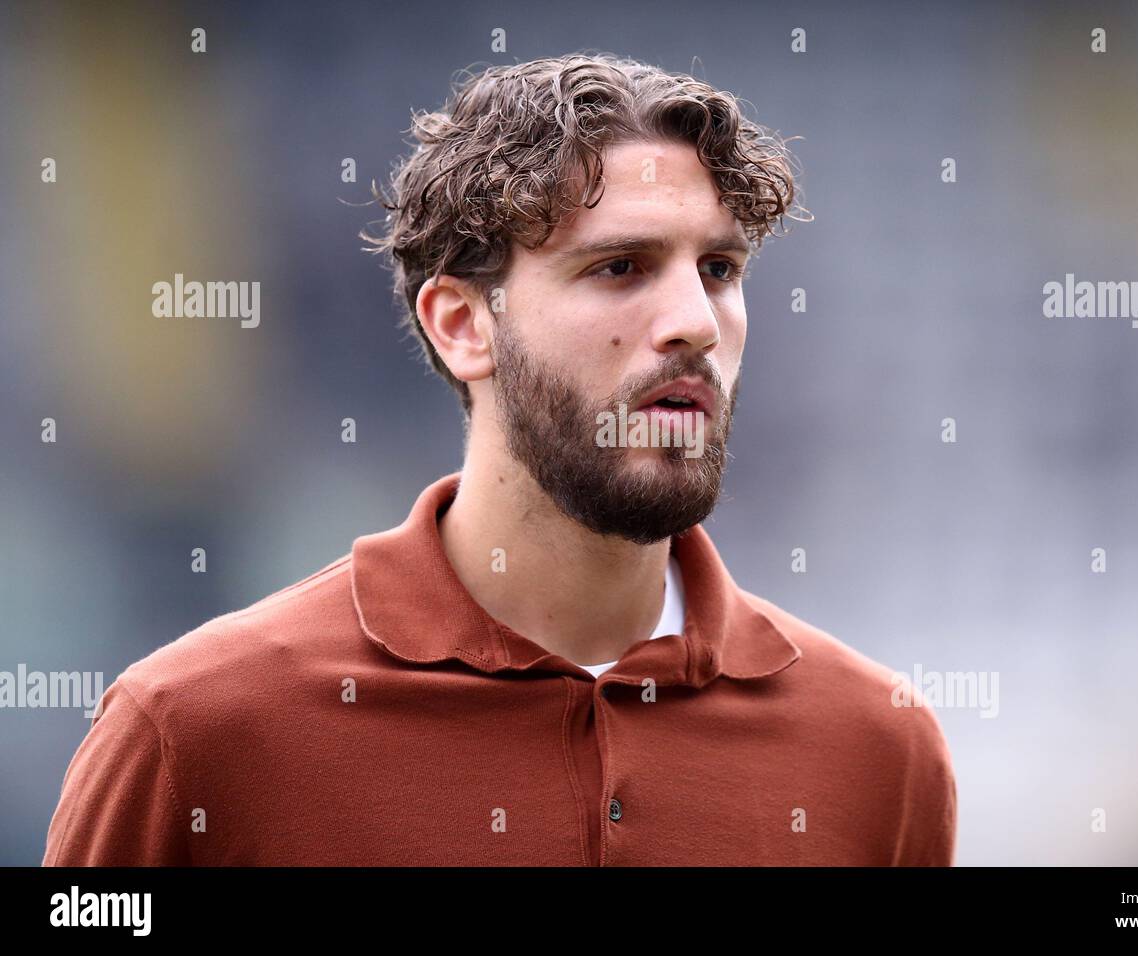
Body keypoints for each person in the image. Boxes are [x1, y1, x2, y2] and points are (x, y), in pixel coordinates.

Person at [43, 52, 956, 866]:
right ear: (463, 324)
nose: (696, 323)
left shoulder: (877, 748)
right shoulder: (197, 732)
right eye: (620, 268)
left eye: (718, 269)